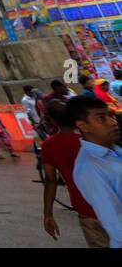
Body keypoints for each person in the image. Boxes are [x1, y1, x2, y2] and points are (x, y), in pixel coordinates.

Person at [40, 99, 108, 247]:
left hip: (85, 208)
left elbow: (50, 180)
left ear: (52, 119)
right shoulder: (93, 138)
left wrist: (48, 215)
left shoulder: (49, 145)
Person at [67, 94, 122, 247]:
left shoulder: (115, 151)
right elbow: (115, 224)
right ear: (82, 126)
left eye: (111, 115)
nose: (113, 122)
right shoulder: (89, 168)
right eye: (101, 118)